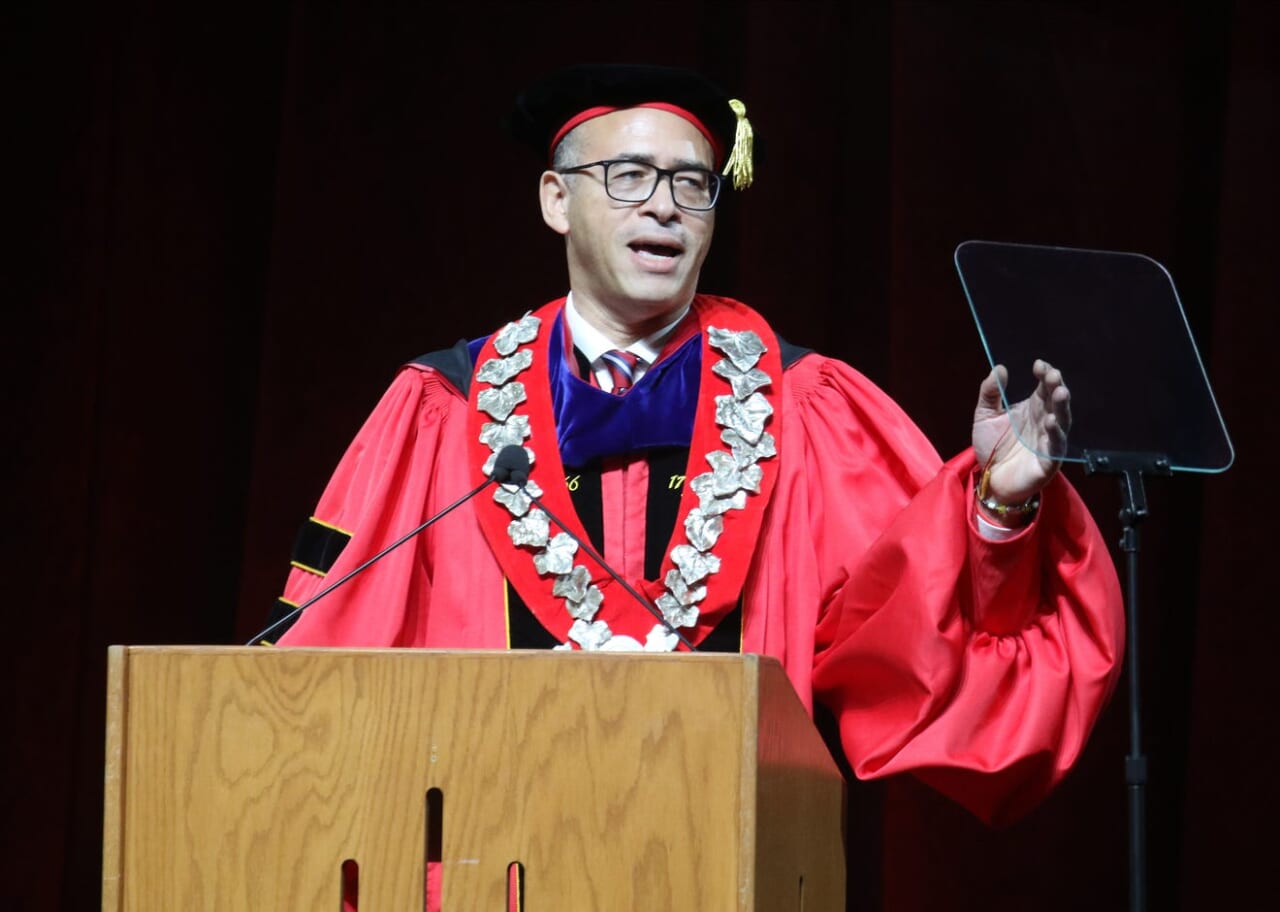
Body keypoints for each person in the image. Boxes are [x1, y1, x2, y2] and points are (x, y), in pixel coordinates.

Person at [271, 64, 1123, 825]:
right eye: (629, 175)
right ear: (556, 201)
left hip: (733, 844)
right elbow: (328, 662)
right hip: (491, 853)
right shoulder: (442, 410)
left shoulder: (809, 410)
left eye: (692, 183)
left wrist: (1000, 505)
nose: (665, 205)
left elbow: (914, 634)